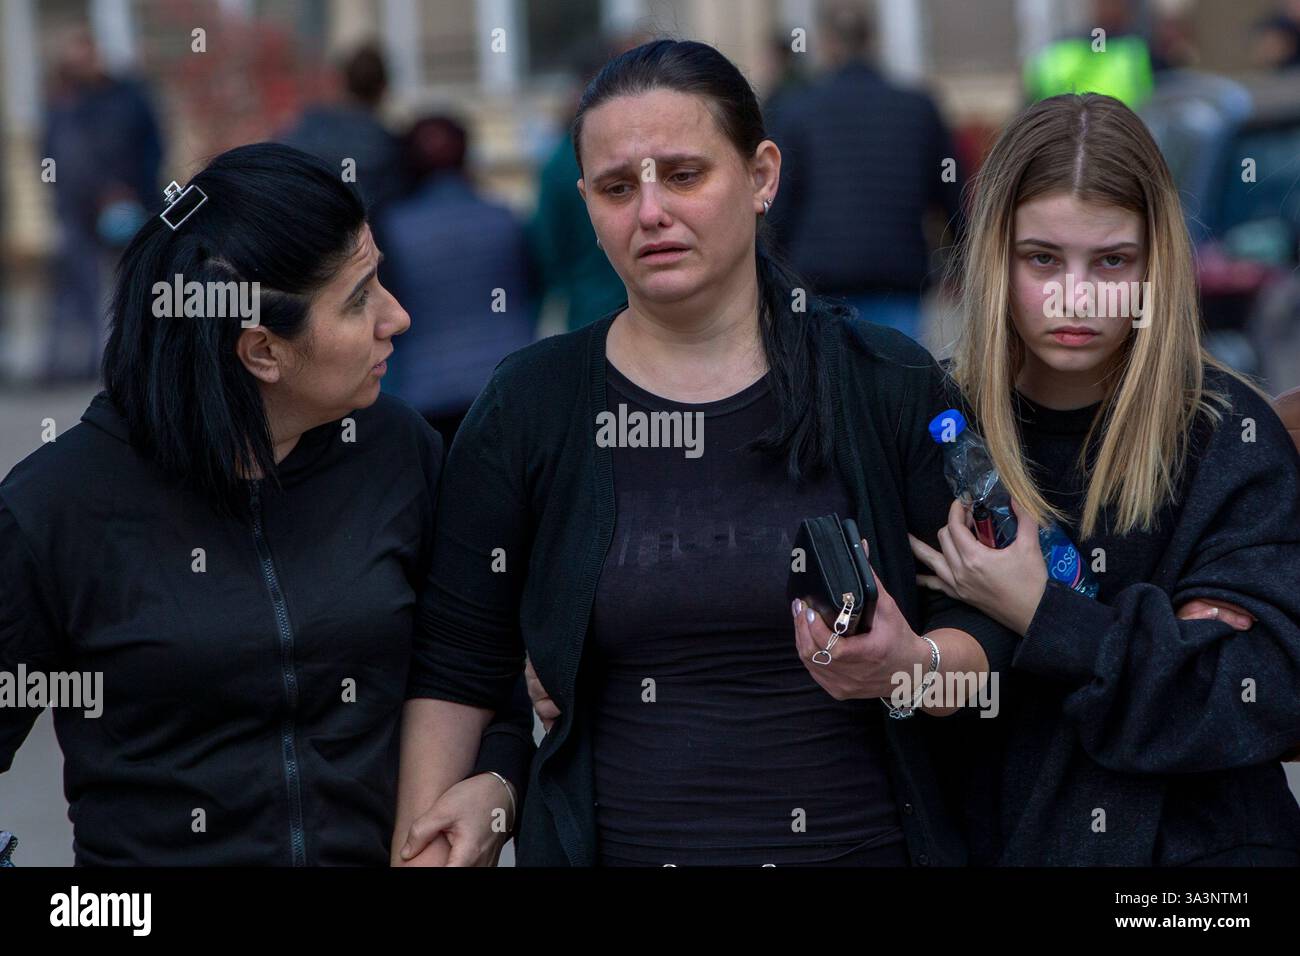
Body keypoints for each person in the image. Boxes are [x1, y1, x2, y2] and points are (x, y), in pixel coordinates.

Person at [393, 39, 1017, 868]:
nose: (650, 212)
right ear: (585, 202)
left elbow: (1000, 634)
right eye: (618, 187)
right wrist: (426, 840)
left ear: (762, 176)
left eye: (684, 175)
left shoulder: (885, 382)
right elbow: (458, 666)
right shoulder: (530, 406)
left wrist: (910, 667)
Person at [0, 143, 532, 865]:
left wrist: (497, 788)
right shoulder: (52, 509)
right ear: (262, 352)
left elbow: (478, 676)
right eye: (358, 299)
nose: (397, 317)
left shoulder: (400, 453)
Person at [910, 94, 1300, 865]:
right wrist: (1164, 642)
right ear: (995, 256)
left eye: (1112, 261)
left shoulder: (1230, 435)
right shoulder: (935, 427)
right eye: (1043, 259)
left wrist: (1039, 613)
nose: (1076, 296)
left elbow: (1260, 699)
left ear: (1156, 262)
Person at [765, 0, 964, 343]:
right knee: (898, 386)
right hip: (898, 277)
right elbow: (952, 196)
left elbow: (779, 203)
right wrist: (966, 264)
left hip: (819, 281)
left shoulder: (797, 109)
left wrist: (770, 274)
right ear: (873, 40)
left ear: (827, 42)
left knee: (826, 388)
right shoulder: (917, 107)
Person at [377, 116, 535, 444]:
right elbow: (533, 286)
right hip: (507, 380)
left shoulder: (391, 228)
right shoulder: (503, 217)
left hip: (426, 390)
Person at [42, 25, 163, 382]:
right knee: (77, 288)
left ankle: (125, 361)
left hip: (123, 203)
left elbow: (149, 150)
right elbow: (52, 153)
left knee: (128, 282)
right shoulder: (65, 102)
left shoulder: (128, 98)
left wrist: (127, 189)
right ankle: (73, 363)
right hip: (75, 209)